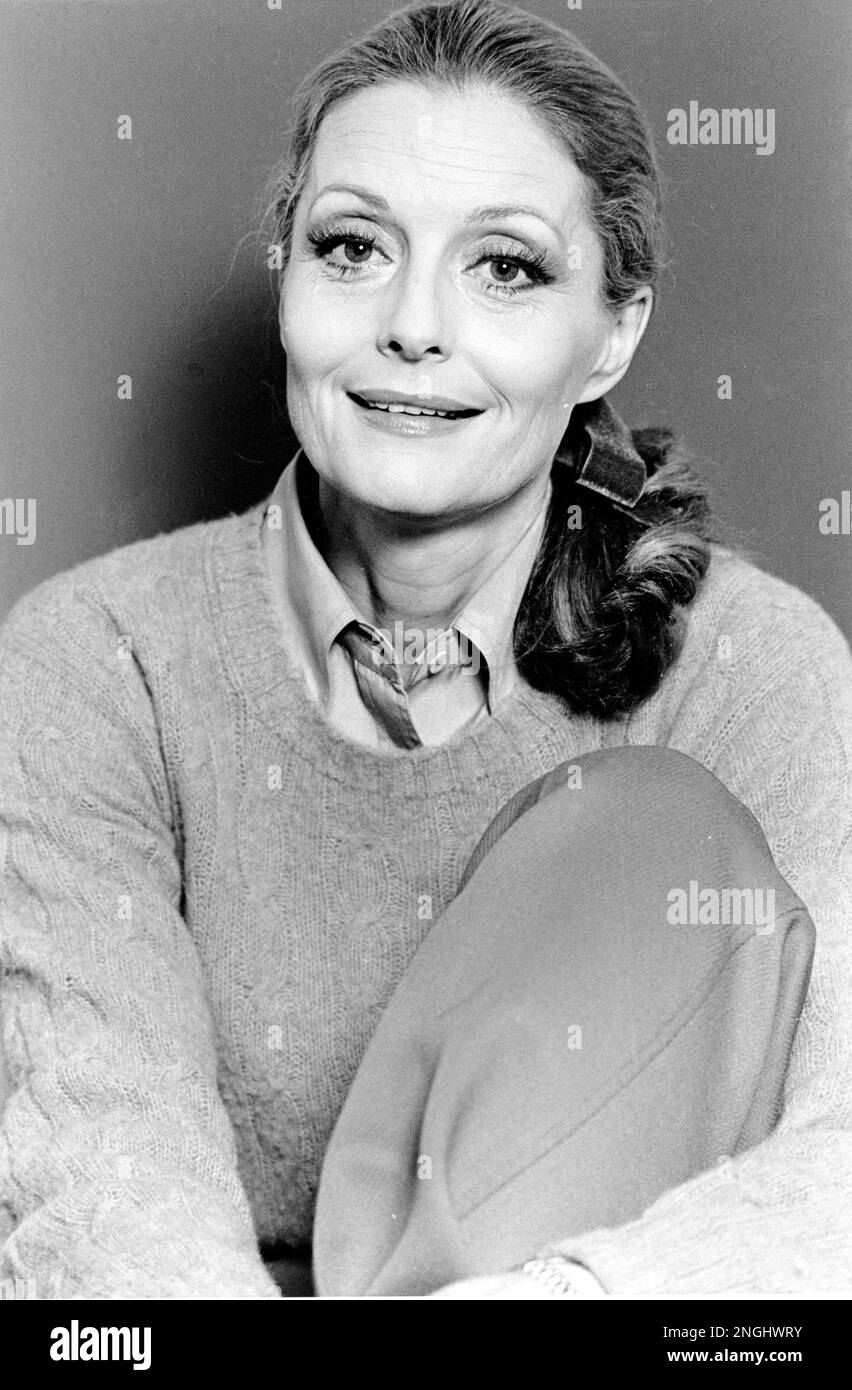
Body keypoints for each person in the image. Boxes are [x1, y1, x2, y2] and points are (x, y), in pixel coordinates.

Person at [0, 0, 849, 1300]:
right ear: (285, 272)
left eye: (504, 266)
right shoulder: (96, 661)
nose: (411, 324)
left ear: (613, 330)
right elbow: (101, 1167)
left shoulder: (754, 671)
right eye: (352, 247)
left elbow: (833, 1173)